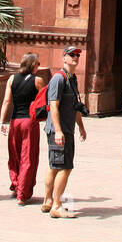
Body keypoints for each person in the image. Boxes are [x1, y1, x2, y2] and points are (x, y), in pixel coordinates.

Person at [42, 46, 87, 218]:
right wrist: (58, 131)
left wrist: (81, 126)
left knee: (54, 166)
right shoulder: (59, 79)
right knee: (65, 167)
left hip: (67, 128)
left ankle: (48, 201)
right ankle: (57, 205)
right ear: (64, 58)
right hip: (59, 130)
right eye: (72, 55)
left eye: (77, 55)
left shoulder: (72, 78)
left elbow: (75, 105)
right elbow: (53, 105)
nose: (75, 57)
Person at [0, 52, 46, 204]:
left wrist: (1, 121)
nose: (39, 66)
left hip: (15, 121)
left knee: (14, 155)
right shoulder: (38, 81)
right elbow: (46, 101)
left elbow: (7, 101)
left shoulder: (12, 79)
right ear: (33, 65)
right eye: (38, 64)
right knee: (28, 157)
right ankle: (23, 194)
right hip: (29, 121)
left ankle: (15, 185)